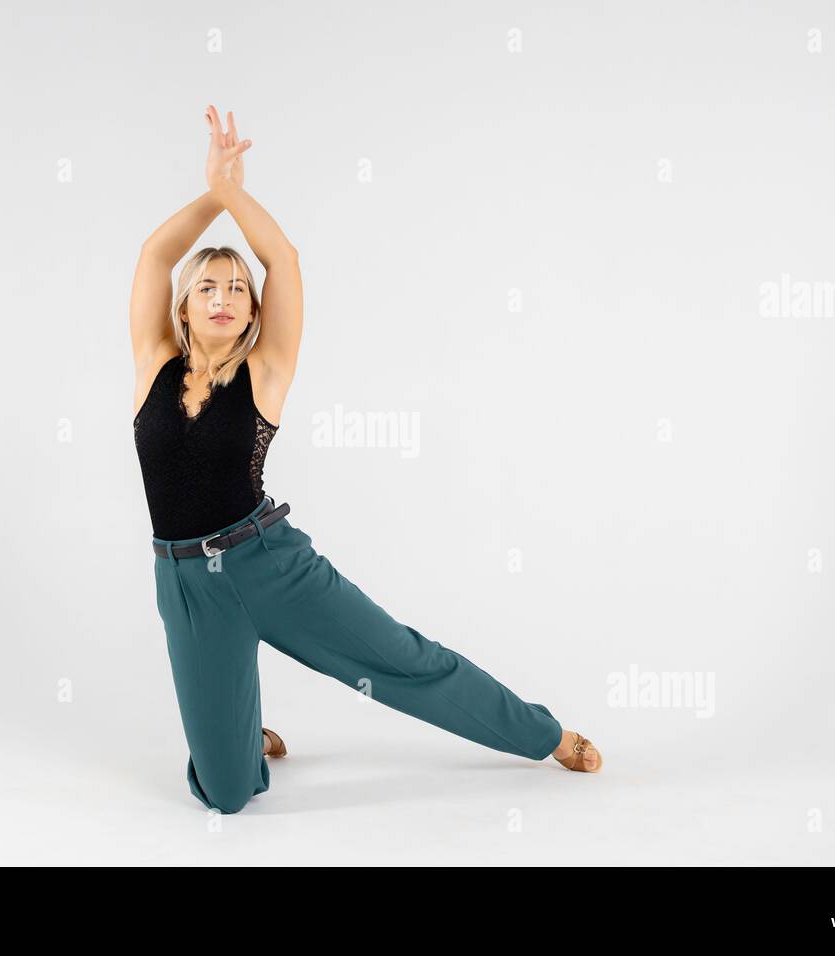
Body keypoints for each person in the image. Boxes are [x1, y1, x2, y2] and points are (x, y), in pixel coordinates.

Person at [129, 105, 603, 814]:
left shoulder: (267, 371)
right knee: (225, 794)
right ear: (185, 309)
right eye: (208, 287)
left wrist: (235, 194)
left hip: (268, 564)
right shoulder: (153, 365)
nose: (223, 296)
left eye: (236, 288)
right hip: (187, 585)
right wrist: (214, 190)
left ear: (254, 313)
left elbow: (281, 261)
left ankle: (544, 733)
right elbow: (155, 258)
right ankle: (240, 734)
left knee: (404, 662)